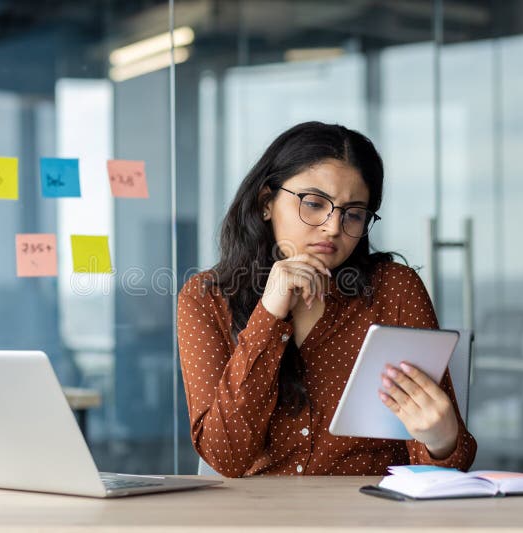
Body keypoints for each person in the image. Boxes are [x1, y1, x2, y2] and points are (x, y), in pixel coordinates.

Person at [177, 121, 477, 477]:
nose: (333, 227)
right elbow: (225, 457)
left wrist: (441, 440)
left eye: (352, 213)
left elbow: (441, 471)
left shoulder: (394, 289)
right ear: (265, 203)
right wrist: (270, 313)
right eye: (315, 204)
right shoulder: (206, 298)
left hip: (369, 518)